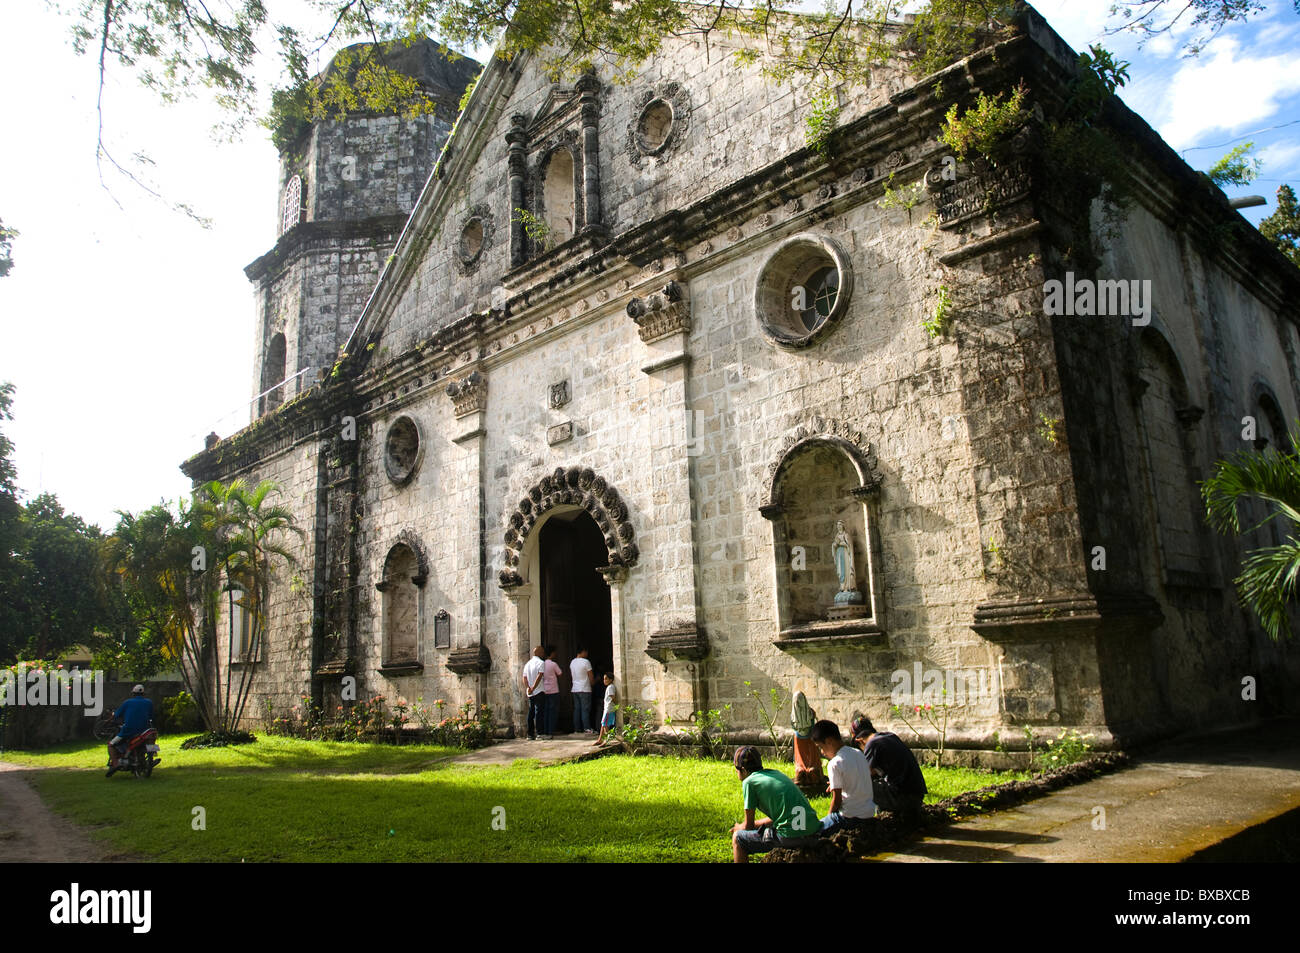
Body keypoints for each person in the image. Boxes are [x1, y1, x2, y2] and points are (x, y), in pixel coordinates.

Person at [730, 745, 819, 862]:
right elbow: (782, 816)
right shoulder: (776, 773)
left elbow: (749, 826)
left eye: (737, 770)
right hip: (813, 831)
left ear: (743, 769)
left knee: (738, 839)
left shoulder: (749, 782)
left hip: (791, 836)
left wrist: (739, 828)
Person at [850, 713, 927, 819]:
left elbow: (864, 776)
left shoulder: (872, 744)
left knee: (861, 784)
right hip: (917, 796)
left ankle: (861, 820)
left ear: (859, 741)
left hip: (904, 798)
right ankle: (887, 815)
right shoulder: (890, 736)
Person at [810, 719, 875, 833]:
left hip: (849, 818)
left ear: (829, 741)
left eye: (820, 747)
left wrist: (829, 817)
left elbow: (837, 800)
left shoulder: (834, 763)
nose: (822, 752)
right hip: (869, 813)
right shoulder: (858, 753)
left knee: (815, 831)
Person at [106, 684, 154, 776]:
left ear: (133, 693)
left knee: (111, 745)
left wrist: (108, 720)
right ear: (143, 693)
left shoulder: (127, 702)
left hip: (129, 731)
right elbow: (151, 716)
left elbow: (116, 715)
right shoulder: (149, 702)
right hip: (145, 731)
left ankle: (115, 764)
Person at [790, 690, 826, 792]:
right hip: (810, 738)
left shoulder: (793, 715)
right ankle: (812, 772)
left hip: (799, 739)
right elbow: (812, 720)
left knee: (801, 759)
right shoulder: (810, 712)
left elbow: (794, 726)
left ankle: (802, 772)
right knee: (812, 758)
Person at [521, 646, 546, 740]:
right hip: (539, 690)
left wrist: (528, 688)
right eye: (542, 652)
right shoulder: (541, 663)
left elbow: (524, 677)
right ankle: (540, 733)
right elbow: (540, 676)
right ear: (539, 653)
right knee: (539, 712)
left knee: (531, 712)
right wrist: (533, 687)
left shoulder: (528, 664)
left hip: (531, 692)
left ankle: (530, 734)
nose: (543, 654)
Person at [570, 647, 594, 734]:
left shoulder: (572, 662)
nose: (587, 654)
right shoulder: (586, 662)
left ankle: (577, 729)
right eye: (586, 652)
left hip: (575, 688)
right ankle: (587, 728)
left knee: (577, 709)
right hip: (584, 688)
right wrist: (592, 684)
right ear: (583, 652)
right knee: (585, 709)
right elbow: (590, 675)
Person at [542, 646, 563, 738]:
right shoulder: (553, 664)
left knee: (546, 711)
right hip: (553, 690)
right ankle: (551, 730)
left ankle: (546, 730)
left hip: (544, 690)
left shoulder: (541, 664)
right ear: (552, 653)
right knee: (553, 711)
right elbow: (560, 673)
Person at [593, 672, 617, 746]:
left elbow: (612, 697)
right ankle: (600, 739)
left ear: (611, 680)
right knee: (603, 724)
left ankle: (606, 740)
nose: (604, 680)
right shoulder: (609, 687)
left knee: (606, 725)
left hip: (609, 709)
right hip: (607, 708)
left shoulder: (610, 687)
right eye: (604, 679)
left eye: (606, 679)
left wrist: (616, 704)